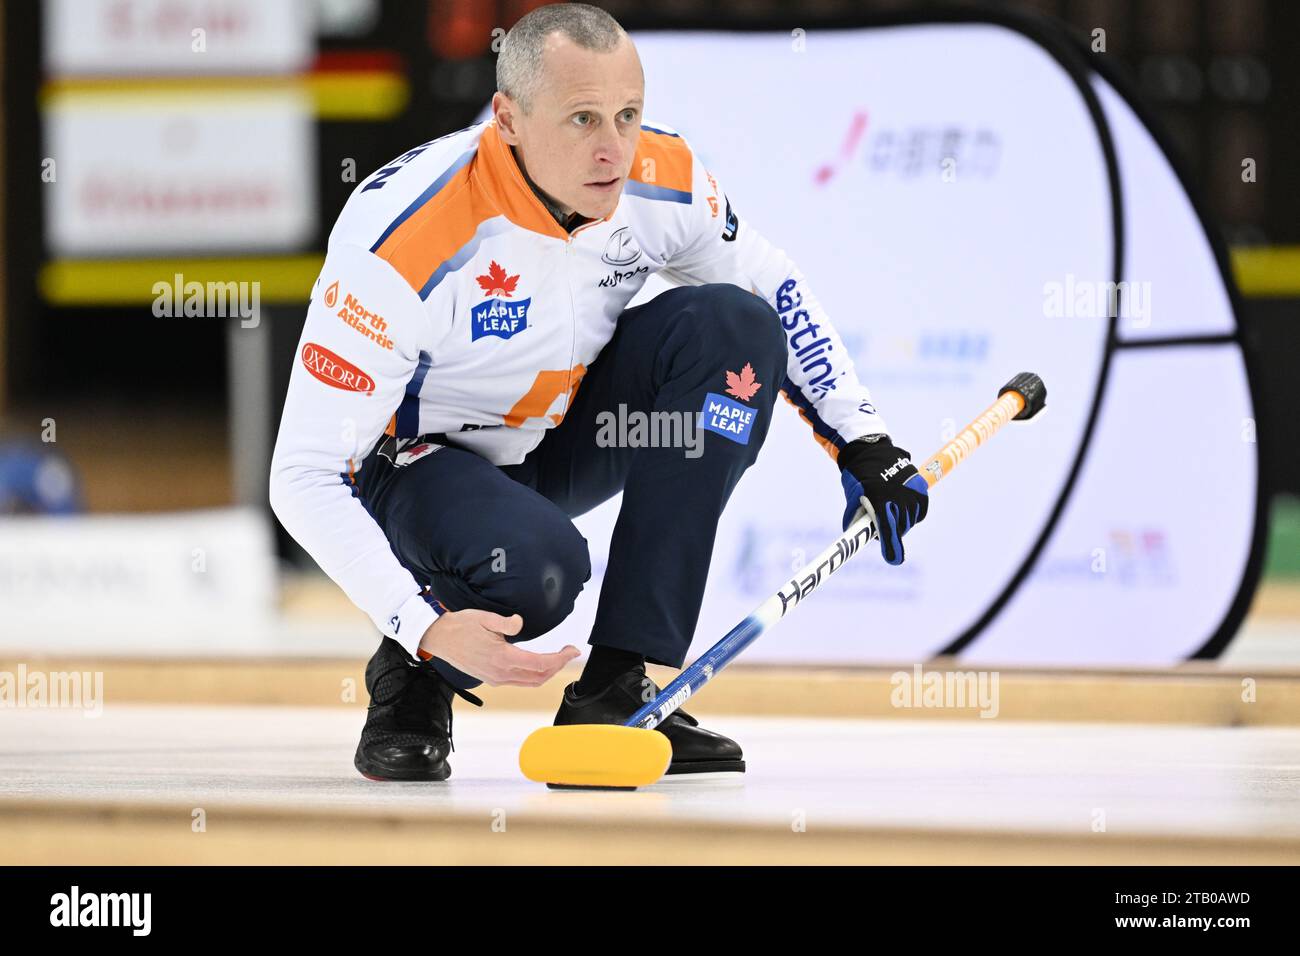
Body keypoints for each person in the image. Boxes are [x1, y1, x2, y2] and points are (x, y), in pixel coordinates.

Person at [269, 3, 929, 782]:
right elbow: (302, 476)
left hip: (558, 435)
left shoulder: (660, 179)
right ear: (509, 120)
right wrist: (420, 627)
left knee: (734, 330)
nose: (613, 149)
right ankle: (411, 679)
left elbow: (773, 286)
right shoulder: (404, 237)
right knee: (540, 571)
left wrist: (864, 439)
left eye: (628, 115)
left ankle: (619, 686)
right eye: (582, 119)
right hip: (414, 466)